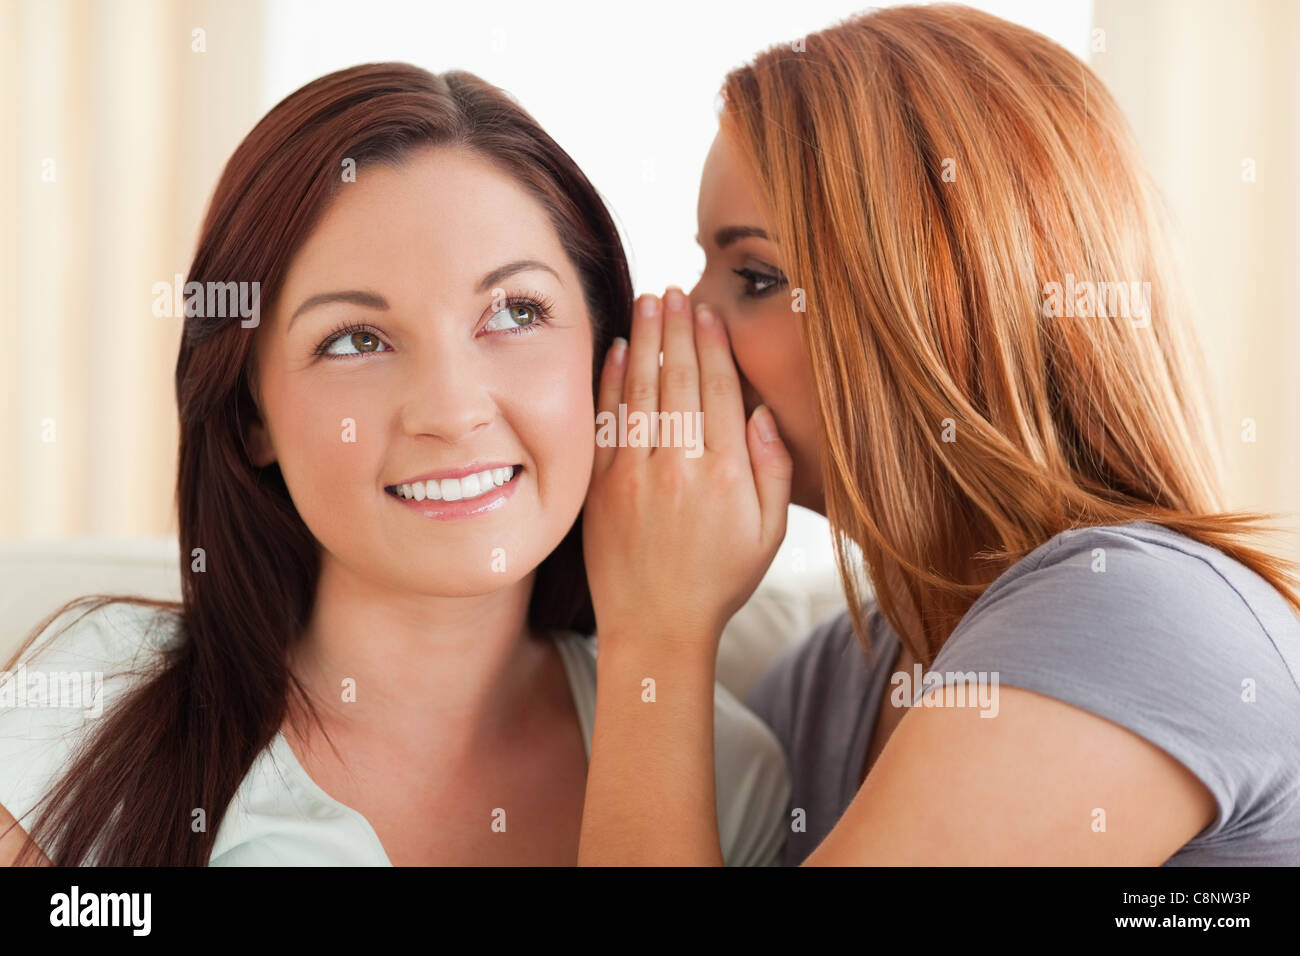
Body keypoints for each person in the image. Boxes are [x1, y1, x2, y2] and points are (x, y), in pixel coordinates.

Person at [0, 62, 787, 866]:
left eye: (516, 313)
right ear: (250, 417)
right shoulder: (92, 704)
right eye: (354, 340)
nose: (451, 411)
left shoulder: (728, 773)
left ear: (602, 357)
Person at [576, 4, 1300, 865]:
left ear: (942, 309)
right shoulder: (822, 685)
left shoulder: (1136, 612)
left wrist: (654, 635)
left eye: (757, 276)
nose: (685, 322)